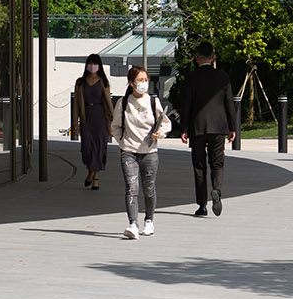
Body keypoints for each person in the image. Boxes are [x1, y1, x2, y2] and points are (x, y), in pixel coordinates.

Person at [176, 41, 238, 217]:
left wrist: (184, 128)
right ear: (213, 57)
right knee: (217, 163)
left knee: (199, 166)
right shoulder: (223, 77)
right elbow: (229, 104)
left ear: (196, 58)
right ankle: (216, 190)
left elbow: (186, 105)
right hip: (219, 127)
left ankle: (202, 205)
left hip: (197, 128)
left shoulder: (190, 78)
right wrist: (232, 128)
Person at [108, 64, 169, 239]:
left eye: (145, 80)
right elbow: (115, 127)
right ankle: (133, 224)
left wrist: (160, 134)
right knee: (131, 187)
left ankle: (149, 220)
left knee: (149, 188)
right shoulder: (124, 102)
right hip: (129, 151)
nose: (143, 83)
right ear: (131, 83)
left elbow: (166, 123)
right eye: (139, 80)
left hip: (149, 151)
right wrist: (122, 143)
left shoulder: (152, 101)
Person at [71, 54, 112, 190]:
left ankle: (96, 178)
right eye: (90, 63)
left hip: (100, 117)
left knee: (99, 147)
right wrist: (75, 122)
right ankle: (90, 171)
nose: (92, 66)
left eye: (95, 64)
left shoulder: (103, 82)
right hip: (86, 117)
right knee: (87, 148)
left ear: (99, 66)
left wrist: (110, 123)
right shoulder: (80, 82)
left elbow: (108, 103)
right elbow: (76, 103)